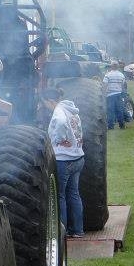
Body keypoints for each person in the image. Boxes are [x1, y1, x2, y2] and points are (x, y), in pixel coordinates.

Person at [43, 88, 84, 238]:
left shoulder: (59, 111)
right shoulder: (72, 110)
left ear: (50, 101)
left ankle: (62, 232)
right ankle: (78, 230)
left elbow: (60, 123)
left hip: (63, 160)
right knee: (74, 194)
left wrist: (55, 140)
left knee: (59, 196)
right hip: (78, 156)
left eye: (45, 103)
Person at [103, 61, 127, 130]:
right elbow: (123, 85)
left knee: (110, 111)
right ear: (117, 67)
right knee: (119, 110)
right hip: (119, 94)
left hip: (110, 95)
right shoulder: (121, 75)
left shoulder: (108, 75)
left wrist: (103, 93)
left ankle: (110, 126)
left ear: (111, 67)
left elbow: (105, 85)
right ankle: (122, 125)